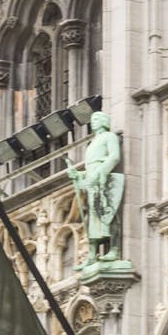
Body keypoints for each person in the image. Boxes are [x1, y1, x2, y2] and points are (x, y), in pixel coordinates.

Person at [67, 111, 124, 268]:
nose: (94, 121)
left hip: (103, 180)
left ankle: (114, 249)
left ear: (105, 121)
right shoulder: (92, 143)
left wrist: (100, 172)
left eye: (97, 118)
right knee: (92, 218)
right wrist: (78, 174)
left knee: (108, 214)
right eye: (92, 119)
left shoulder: (109, 137)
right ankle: (92, 255)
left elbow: (114, 157)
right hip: (93, 182)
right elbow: (91, 166)